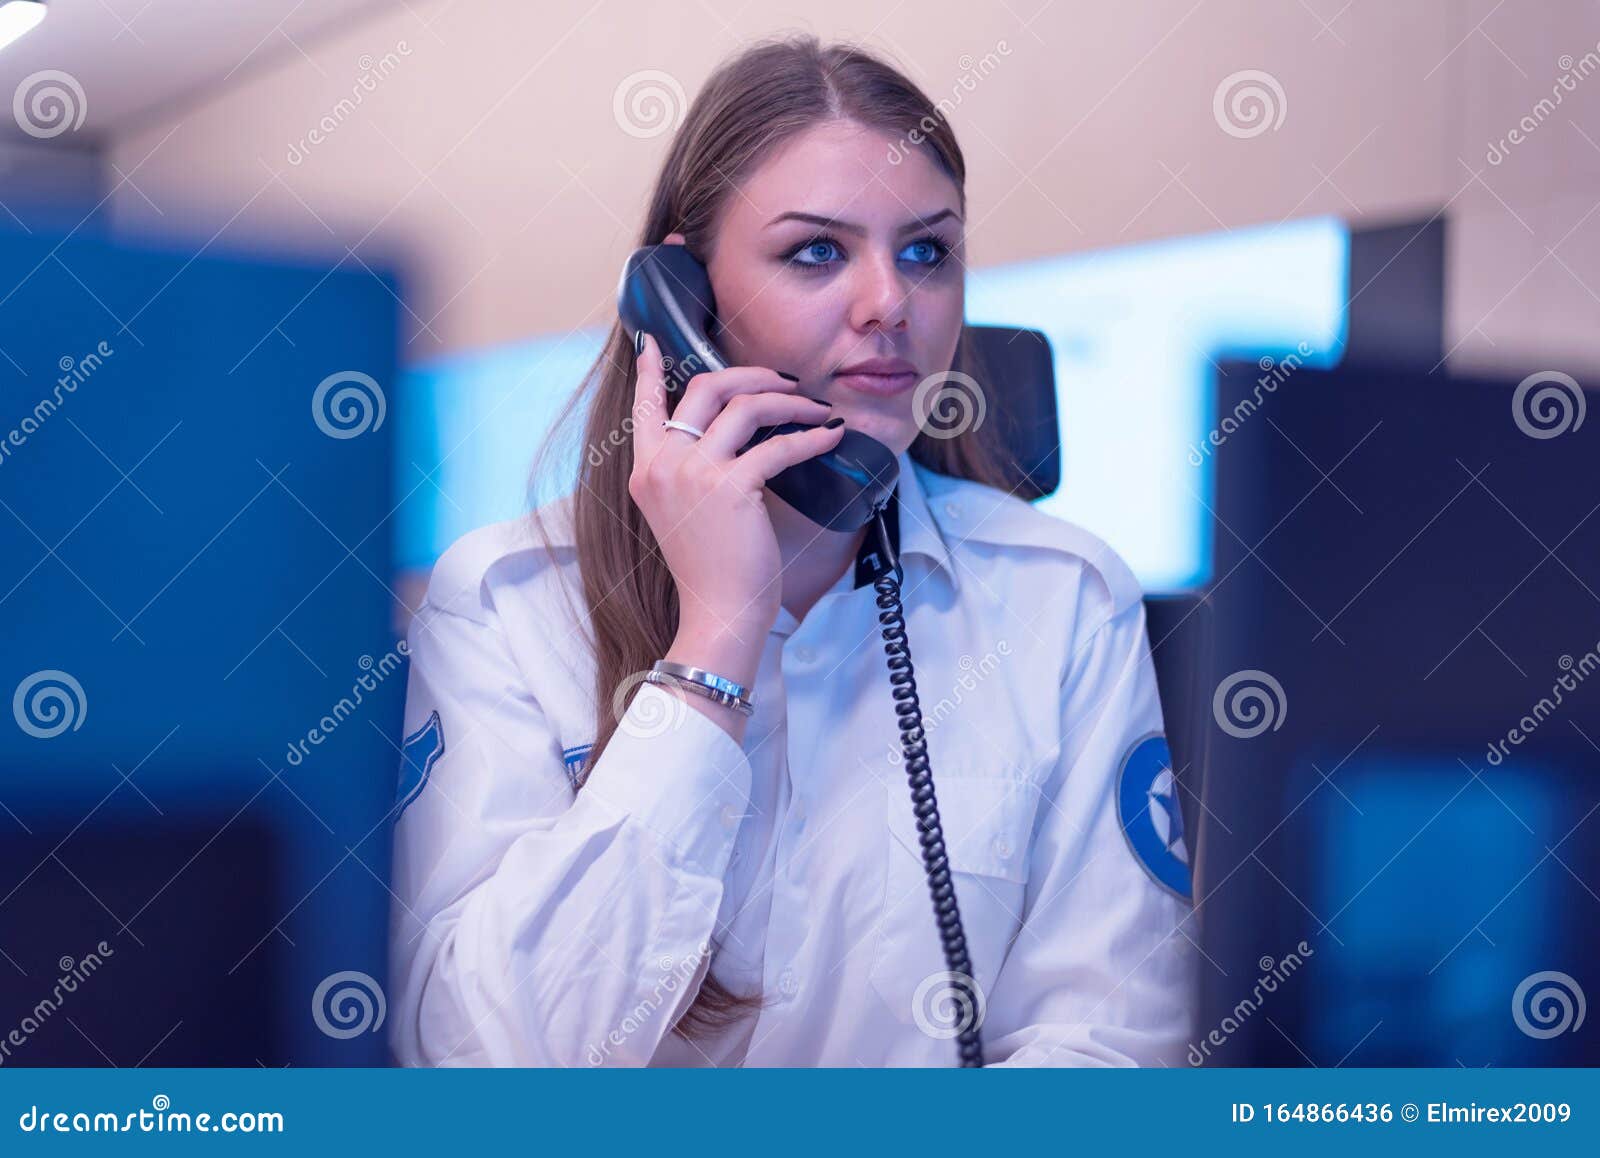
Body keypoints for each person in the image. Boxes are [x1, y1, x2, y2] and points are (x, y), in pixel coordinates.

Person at [386, 33, 1197, 1067]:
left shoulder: (1064, 599)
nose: (889, 304)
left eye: (926, 251)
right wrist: (714, 644)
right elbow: (474, 1064)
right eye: (816, 251)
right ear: (680, 301)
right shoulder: (505, 606)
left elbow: (1110, 1043)